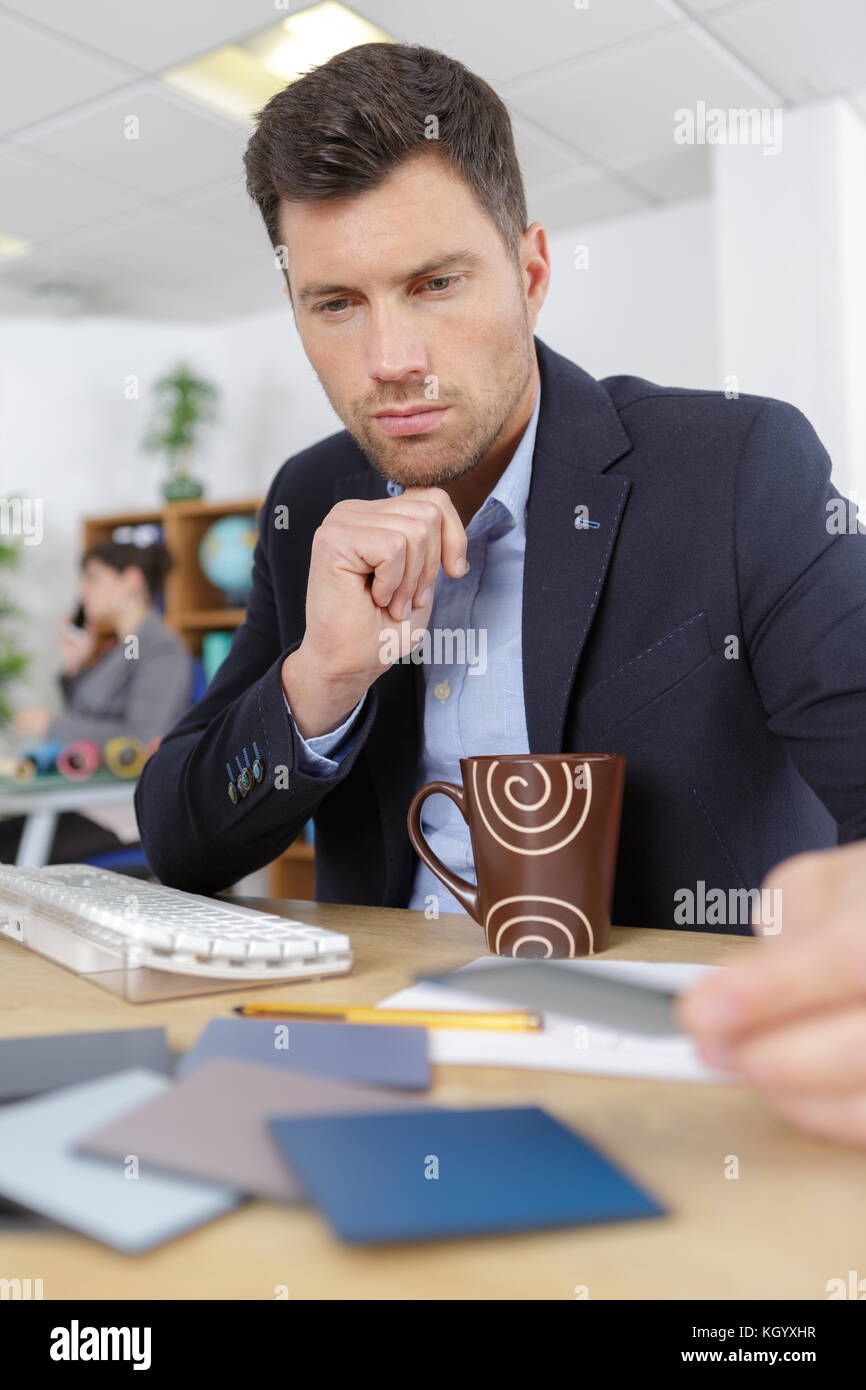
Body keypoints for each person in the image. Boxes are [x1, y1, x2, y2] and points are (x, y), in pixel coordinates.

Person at [135, 44, 866, 1144]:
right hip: (364, 1062)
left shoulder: (732, 466)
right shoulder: (309, 502)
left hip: (662, 1082)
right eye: (335, 302)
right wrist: (316, 681)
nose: (392, 359)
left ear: (527, 271)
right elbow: (178, 837)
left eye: (433, 283)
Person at [2, 540, 192, 864]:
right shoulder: (118, 649)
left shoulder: (161, 650)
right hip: (86, 800)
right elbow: (87, 719)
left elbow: (140, 741)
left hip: (124, 811)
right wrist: (75, 666)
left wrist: (53, 725)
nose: (82, 589)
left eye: (93, 577)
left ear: (131, 580)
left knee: (9, 852)